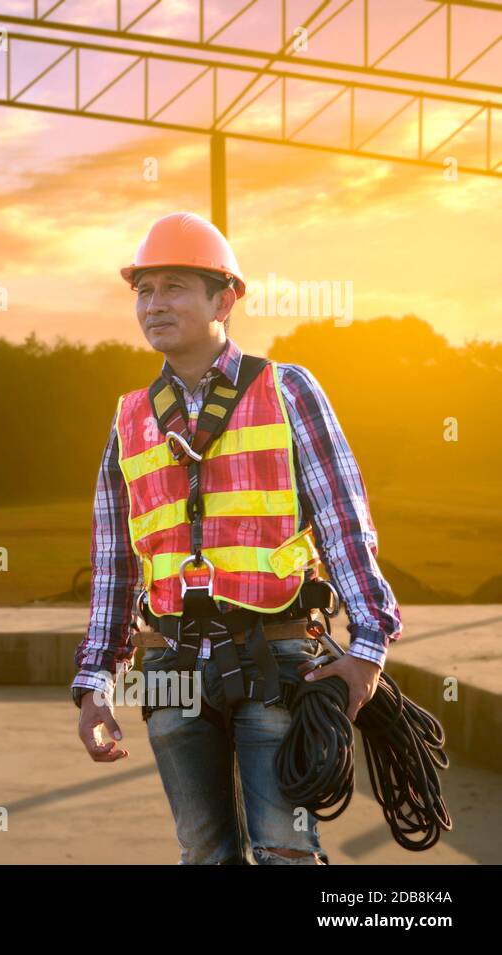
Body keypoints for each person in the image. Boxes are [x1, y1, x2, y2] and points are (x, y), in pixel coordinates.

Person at [71, 212, 401, 864]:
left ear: (224, 299)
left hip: (276, 654)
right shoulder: (130, 418)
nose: (154, 304)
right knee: (202, 853)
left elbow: (343, 520)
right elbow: (114, 563)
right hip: (170, 667)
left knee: (284, 849)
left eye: (174, 287)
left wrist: (369, 646)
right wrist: (94, 681)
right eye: (144, 290)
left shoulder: (287, 390)